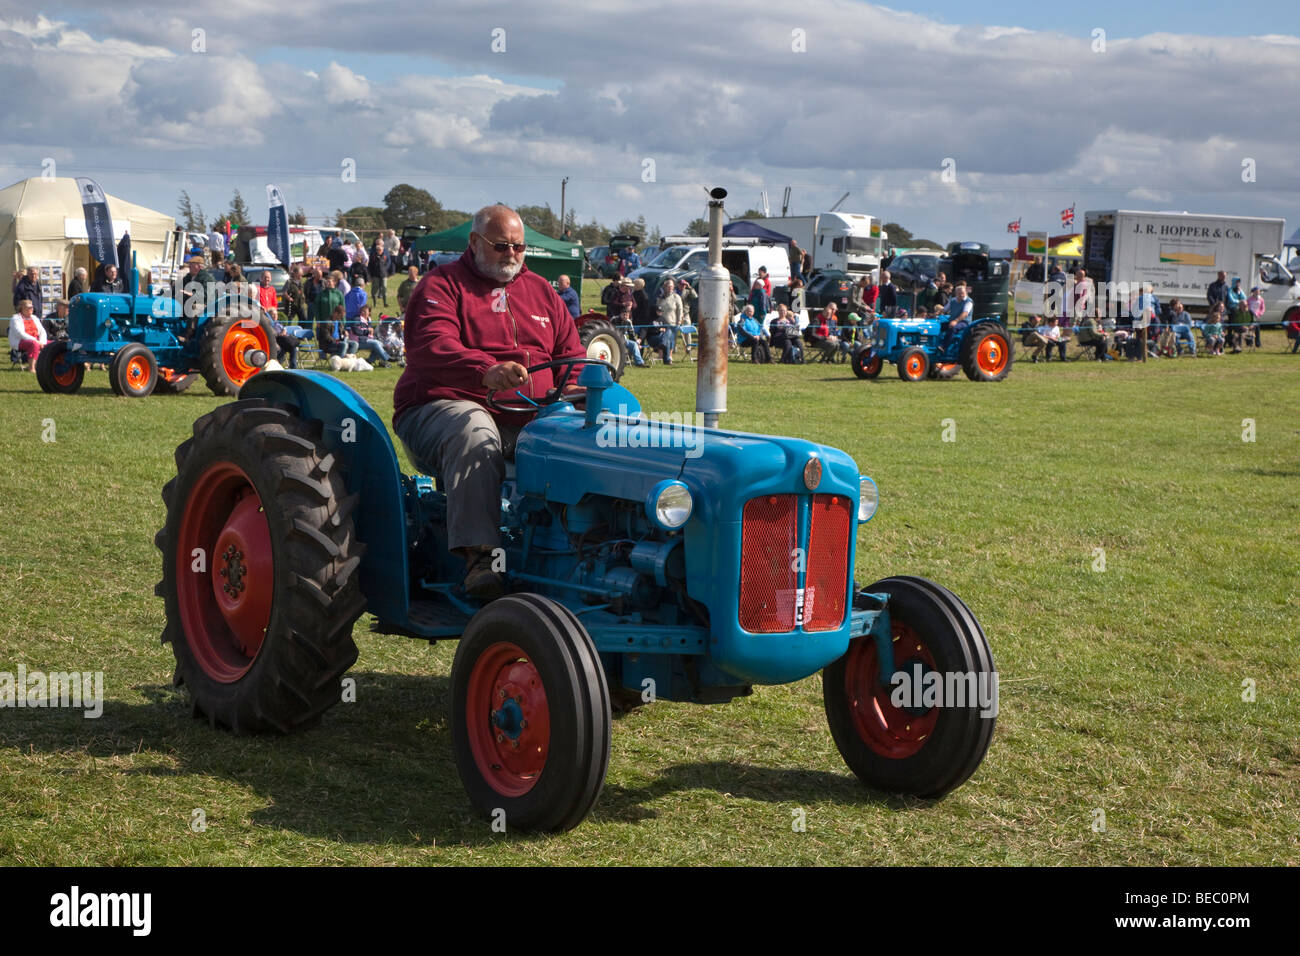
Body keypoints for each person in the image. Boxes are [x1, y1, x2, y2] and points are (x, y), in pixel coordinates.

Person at [393, 204, 585, 599]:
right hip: (439, 408)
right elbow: (432, 348)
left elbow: (573, 354)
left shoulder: (543, 293)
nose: (512, 255)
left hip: (530, 417)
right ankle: (481, 560)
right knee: (475, 428)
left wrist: (575, 394)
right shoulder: (441, 285)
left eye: (519, 247)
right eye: (501, 246)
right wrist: (485, 370)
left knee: (605, 428)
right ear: (474, 242)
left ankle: (589, 553)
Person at [8, 298, 46, 372]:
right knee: (33, 344)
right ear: (22, 308)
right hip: (20, 341)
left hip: (37, 340)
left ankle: (49, 365)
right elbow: (19, 333)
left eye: (32, 307)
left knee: (53, 344)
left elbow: (42, 332)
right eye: (29, 307)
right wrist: (36, 341)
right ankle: (32, 368)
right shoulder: (15, 319)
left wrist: (42, 342)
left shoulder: (35, 318)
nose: (31, 309)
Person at [653, 277, 683, 363]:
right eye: (668, 286)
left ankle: (669, 356)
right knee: (662, 338)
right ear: (664, 287)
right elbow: (657, 308)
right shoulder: (660, 297)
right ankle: (661, 355)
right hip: (661, 323)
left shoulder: (676, 297)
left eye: (671, 286)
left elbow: (680, 309)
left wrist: (679, 321)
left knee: (671, 339)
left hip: (672, 322)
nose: (670, 288)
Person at [313, 272, 346, 348]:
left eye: (329, 281)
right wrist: (318, 320)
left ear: (334, 282)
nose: (327, 283)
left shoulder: (339, 294)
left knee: (336, 340)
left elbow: (343, 308)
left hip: (336, 322)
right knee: (323, 338)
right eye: (326, 281)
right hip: (323, 322)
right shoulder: (321, 294)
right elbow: (316, 308)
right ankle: (322, 355)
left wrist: (343, 321)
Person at [369, 238, 391, 307]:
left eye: (380, 250)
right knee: (375, 289)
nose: (379, 251)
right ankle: (375, 303)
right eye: (378, 250)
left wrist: (385, 269)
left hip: (383, 274)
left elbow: (388, 262)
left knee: (384, 287)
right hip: (375, 275)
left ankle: (385, 303)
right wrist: (371, 275)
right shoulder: (373, 256)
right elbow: (370, 265)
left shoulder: (385, 254)